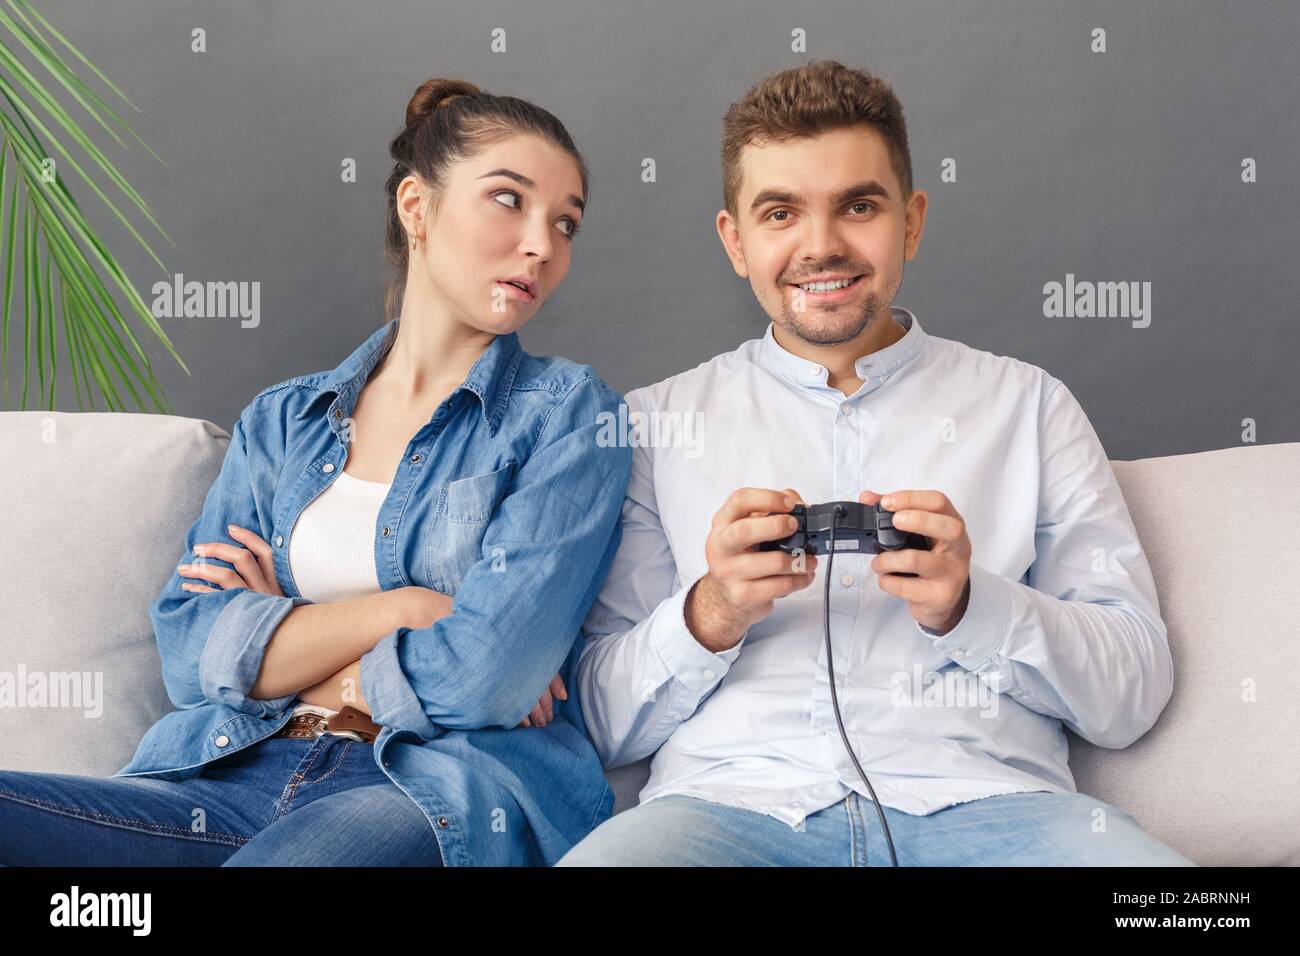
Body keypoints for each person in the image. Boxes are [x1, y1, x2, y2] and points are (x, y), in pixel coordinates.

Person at [559, 60, 1195, 867]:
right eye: (780, 212)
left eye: (858, 206)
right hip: (730, 815)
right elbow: (596, 723)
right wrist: (709, 612)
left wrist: (972, 604)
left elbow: (1132, 693)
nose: (821, 246)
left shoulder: (1029, 405)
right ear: (735, 241)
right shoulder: (653, 424)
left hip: (996, 812)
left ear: (912, 221)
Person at [0, 78, 631, 867]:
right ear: (417, 206)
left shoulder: (567, 415)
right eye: (510, 200)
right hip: (223, 776)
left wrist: (288, 656)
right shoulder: (283, 421)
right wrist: (407, 607)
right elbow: (192, 659)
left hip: (420, 795)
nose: (543, 244)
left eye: (565, 223)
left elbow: (486, 678)